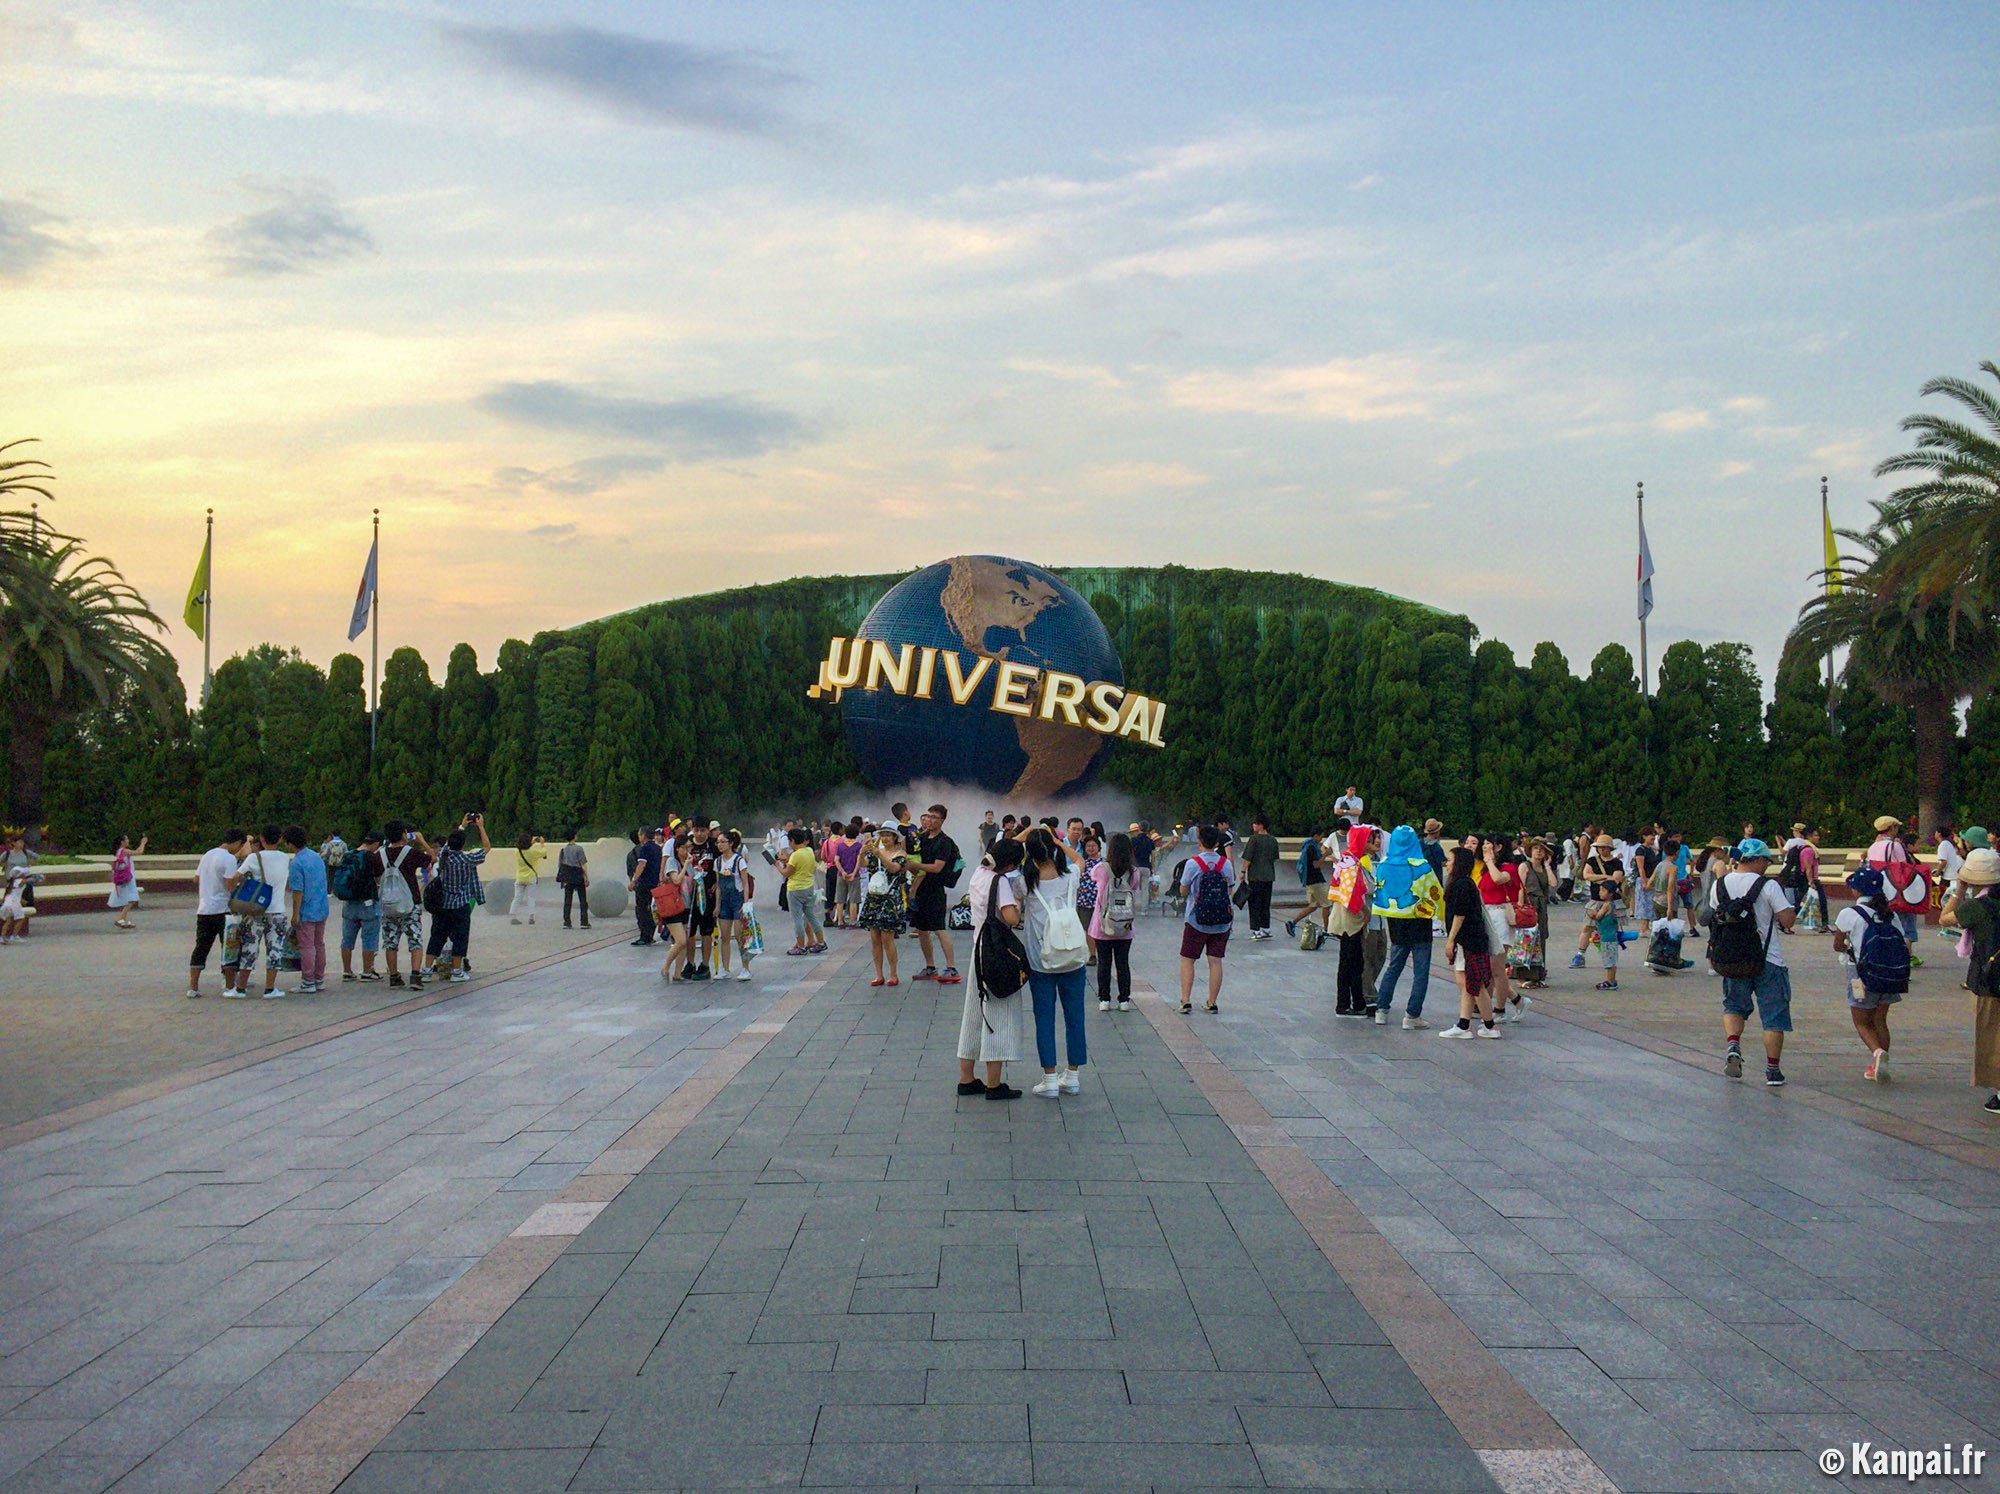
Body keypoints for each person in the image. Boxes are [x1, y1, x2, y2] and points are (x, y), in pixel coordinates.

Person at [1711, 838, 1796, 1086]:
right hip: (1767, 958)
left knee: (1734, 1006)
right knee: (1773, 1016)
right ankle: (1772, 1070)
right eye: (1766, 861)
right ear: (1758, 860)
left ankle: (1733, 1045)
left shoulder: (1720, 884)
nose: (1767, 866)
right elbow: (1787, 920)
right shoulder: (1768, 886)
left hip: (1732, 958)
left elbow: (1715, 915)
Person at [957, 837, 1029, 1102]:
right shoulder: (1000, 883)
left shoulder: (978, 873)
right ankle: (994, 1084)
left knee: (974, 1015)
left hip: (978, 948)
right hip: (996, 954)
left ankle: (966, 1078)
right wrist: (1018, 903)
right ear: (1010, 864)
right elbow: (1012, 917)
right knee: (997, 1017)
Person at [1021, 827, 1089, 1097]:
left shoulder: (1024, 883)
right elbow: (1081, 861)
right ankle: (1072, 1076)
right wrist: (1060, 843)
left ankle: (1049, 1079)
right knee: (1075, 1018)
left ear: (1032, 856)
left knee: (1044, 1019)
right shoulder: (1070, 877)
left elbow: (993, 862)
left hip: (1041, 962)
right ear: (1053, 849)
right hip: (1073, 959)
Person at [1833, 865, 1906, 1084]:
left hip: (1860, 975)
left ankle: (1877, 1053)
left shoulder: (1849, 913)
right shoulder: (1889, 914)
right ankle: (1879, 1065)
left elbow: (1838, 945)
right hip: (1888, 975)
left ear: (1856, 890)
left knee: (1862, 1022)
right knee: (1880, 1021)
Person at [1940, 848, 2000, 1112]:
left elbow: (1944, 919)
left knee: (1991, 1036)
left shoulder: (1977, 906)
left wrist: (1959, 891)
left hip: (1990, 980)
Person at [1371, 825, 1443, 1028]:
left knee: (1394, 966)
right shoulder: (1422, 866)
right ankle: (1412, 1015)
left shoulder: (1384, 864)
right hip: (1420, 923)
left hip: (1396, 923)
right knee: (1420, 971)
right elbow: (1435, 894)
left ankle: (1381, 1009)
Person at [1439, 846, 1501, 1038]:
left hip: (1469, 942)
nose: (1447, 863)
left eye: (1450, 859)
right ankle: (1464, 1024)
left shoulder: (1461, 885)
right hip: (1470, 941)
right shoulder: (1465, 883)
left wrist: (1450, 941)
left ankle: (1490, 1026)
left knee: (1472, 983)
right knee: (1469, 983)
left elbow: (1460, 914)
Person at [225, 826, 293, 1000]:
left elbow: (235, 878)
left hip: (255, 910)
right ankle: (270, 988)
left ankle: (240, 989)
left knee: (249, 948)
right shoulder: (285, 858)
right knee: (275, 949)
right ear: (279, 839)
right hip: (277, 910)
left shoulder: (254, 858)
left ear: (261, 839)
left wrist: (233, 898)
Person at [1177, 825, 1235, 1015]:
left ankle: (1185, 1000)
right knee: (1215, 961)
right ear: (1217, 843)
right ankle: (1212, 1002)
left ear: (1199, 841)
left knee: (1188, 959)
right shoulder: (1225, 863)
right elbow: (1230, 889)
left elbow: (1183, 890)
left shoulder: (1193, 863)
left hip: (1196, 919)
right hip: (1221, 921)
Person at [424, 814, 490, 983]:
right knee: (460, 938)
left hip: (442, 904)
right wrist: (481, 827)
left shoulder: (444, 855)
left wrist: (462, 825)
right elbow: (486, 848)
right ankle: (456, 971)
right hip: (460, 904)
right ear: (463, 845)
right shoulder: (467, 859)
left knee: (436, 936)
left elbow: (447, 845)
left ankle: (426, 970)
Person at [909, 805, 963, 985]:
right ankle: (930, 966)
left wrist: (916, 866)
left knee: (939, 928)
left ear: (941, 821)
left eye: (934, 817)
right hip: (920, 889)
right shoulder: (921, 838)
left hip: (935, 889)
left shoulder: (944, 842)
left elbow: (937, 867)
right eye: (927, 816)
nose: (929, 820)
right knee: (922, 929)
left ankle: (951, 966)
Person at [372, 821, 431, 988]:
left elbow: (376, 877)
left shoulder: (380, 855)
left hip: (388, 904)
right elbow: (431, 859)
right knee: (415, 939)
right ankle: (415, 976)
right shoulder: (411, 852)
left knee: (390, 941)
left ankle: (394, 976)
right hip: (409, 902)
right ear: (404, 834)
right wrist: (421, 841)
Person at [1091, 831, 1144, 1011]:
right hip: (1125, 924)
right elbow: (1134, 888)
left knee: (1104, 963)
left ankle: (1104, 999)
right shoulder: (1134, 872)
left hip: (1102, 924)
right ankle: (1124, 1000)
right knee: (1123, 963)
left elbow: (1093, 881)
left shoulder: (1100, 869)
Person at [1478, 833, 1527, 1021]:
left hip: (1501, 915)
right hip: (1488, 914)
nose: (1484, 847)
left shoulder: (1509, 868)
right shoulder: (1486, 869)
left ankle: (1500, 1010)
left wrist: (1489, 861)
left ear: (1499, 847)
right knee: (1489, 967)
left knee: (1497, 967)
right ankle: (1515, 1000)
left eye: (1488, 844)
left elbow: (1499, 879)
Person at [1325, 824, 1372, 1017]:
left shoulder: (1348, 859)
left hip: (1344, 918)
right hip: (1350, 920)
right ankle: (1346, 1004)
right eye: (1368, 839)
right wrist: (1365, 912)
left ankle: (1353, 1002)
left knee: (1350, 961)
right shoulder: (1352, 863)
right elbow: (1350, 893)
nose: (1372, 843)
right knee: (1351, 962)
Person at [1569, 833, 1626, 987]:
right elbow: (1586, 875)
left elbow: (1616, 879)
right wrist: (1605, 877)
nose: (1601, 850)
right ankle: (1580, 954)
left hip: (1611, 901)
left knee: (1609, 929)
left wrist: (1599, 877)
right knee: (1587, 927)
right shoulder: (1592, 860)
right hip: (1595, 900)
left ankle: (1609, 960)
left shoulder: (1617, 863)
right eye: (1599, 847)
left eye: (1604, 847)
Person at [281, 825, 330, 994]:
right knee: (319, 944)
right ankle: (319, 978)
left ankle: (307, 980)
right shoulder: (316, 857)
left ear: (289, 843)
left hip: (307, 910)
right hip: (321, 907)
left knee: (306, 946)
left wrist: (295, 914)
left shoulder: (296, 863)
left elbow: (298, 892)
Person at [857, 827, 907, 983]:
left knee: (887, 937)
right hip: (874, 898)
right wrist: (862, 852)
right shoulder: (875, 853)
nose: (885, 839)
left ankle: (893, 973)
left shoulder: (900, 854)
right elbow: (862, 865)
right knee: (874, 937)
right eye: (882, 835)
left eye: (888, 835)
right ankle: (879, 974)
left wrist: (881, 856)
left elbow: (894, 868)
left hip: (890, 899)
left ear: (895, 837)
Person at [335, 828, 384, 982]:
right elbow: (378, 878)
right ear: (376, 843)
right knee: (369, 938)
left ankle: (347, 971)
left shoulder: (348, 854)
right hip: (367, 902)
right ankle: (367, 971)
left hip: (349, 903)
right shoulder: (371, 857)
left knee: (347, 938)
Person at [713, 829, 754, 981]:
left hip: (737, 901)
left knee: (739, 935)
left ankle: (745, 968)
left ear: (730, 843)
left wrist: (746, 903)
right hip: (724, 901)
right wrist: (717, 906)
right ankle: (725, 968)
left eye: (723, 842)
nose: (720, 845)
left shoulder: (738, 860)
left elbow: (745, 883)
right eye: (718, 842)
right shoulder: (717, 862)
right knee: (724, 937)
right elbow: (718, 885)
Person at [1241, 815, 1280, 940]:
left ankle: (1256, 930)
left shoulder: (1254, 839)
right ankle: (1266, 928)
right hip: (1269, 875)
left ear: (1261, 825)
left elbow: (1248, 858)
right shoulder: (1273, 840)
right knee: (1265, 903)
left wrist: (1243, 871)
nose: (1253, 826)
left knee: (1254, 903)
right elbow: (1275, 857)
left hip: (1255, 876)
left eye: (1255, 823)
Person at [107, 832, 147, 929]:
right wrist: (143, 843)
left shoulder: (119, 851)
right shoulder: (123, 851)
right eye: (126, 839)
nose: (128, 841)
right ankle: (120, 918)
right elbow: (139, 852)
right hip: (127, 878)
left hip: (125, 877)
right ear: (122, 842)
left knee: (127, 898)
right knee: (132, 899)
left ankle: (124, 920)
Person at [2, 834, 38, 937]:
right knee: (14, 899)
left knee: (23, 899)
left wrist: (30, 864)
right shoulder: (8, 854)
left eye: (22, 842)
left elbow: (36, 857)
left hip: (22, 879)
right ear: (14, 843)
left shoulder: (25, 853)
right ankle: (11, 931)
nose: (21, 844)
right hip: (12, 880)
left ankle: (12, 930)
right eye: (19, 842)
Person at [556, 830, 590, 929]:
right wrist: (586, 877)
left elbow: (560, 864)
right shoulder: (579, 849)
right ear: (574, 837)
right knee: (582, 900)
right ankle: (584, 922)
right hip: (578, 875)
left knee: (567, 900)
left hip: (568, 877)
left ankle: (567, 922)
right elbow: (583, 864)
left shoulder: (563, 849)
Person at [834, 818, 865, 927]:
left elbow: (836, 860)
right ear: (857, 834)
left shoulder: (840, 845)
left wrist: (842, 871)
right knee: (853, 899)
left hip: (840, 875)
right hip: (854, 875)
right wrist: (853, 872)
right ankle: (852, 921)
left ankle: (840, 921)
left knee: (840, 899)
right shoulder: (858, 846)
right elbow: (858, 861)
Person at [512, 834, 545, 925]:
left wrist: (532, 842)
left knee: (517, 897)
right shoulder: (533, 852)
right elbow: (544, 853)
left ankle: (513, 916)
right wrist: (542, 843)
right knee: (531, 897)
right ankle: (531, 917)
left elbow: (524, 848)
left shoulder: (517, 851)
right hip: (531, 877)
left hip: (520, 877)